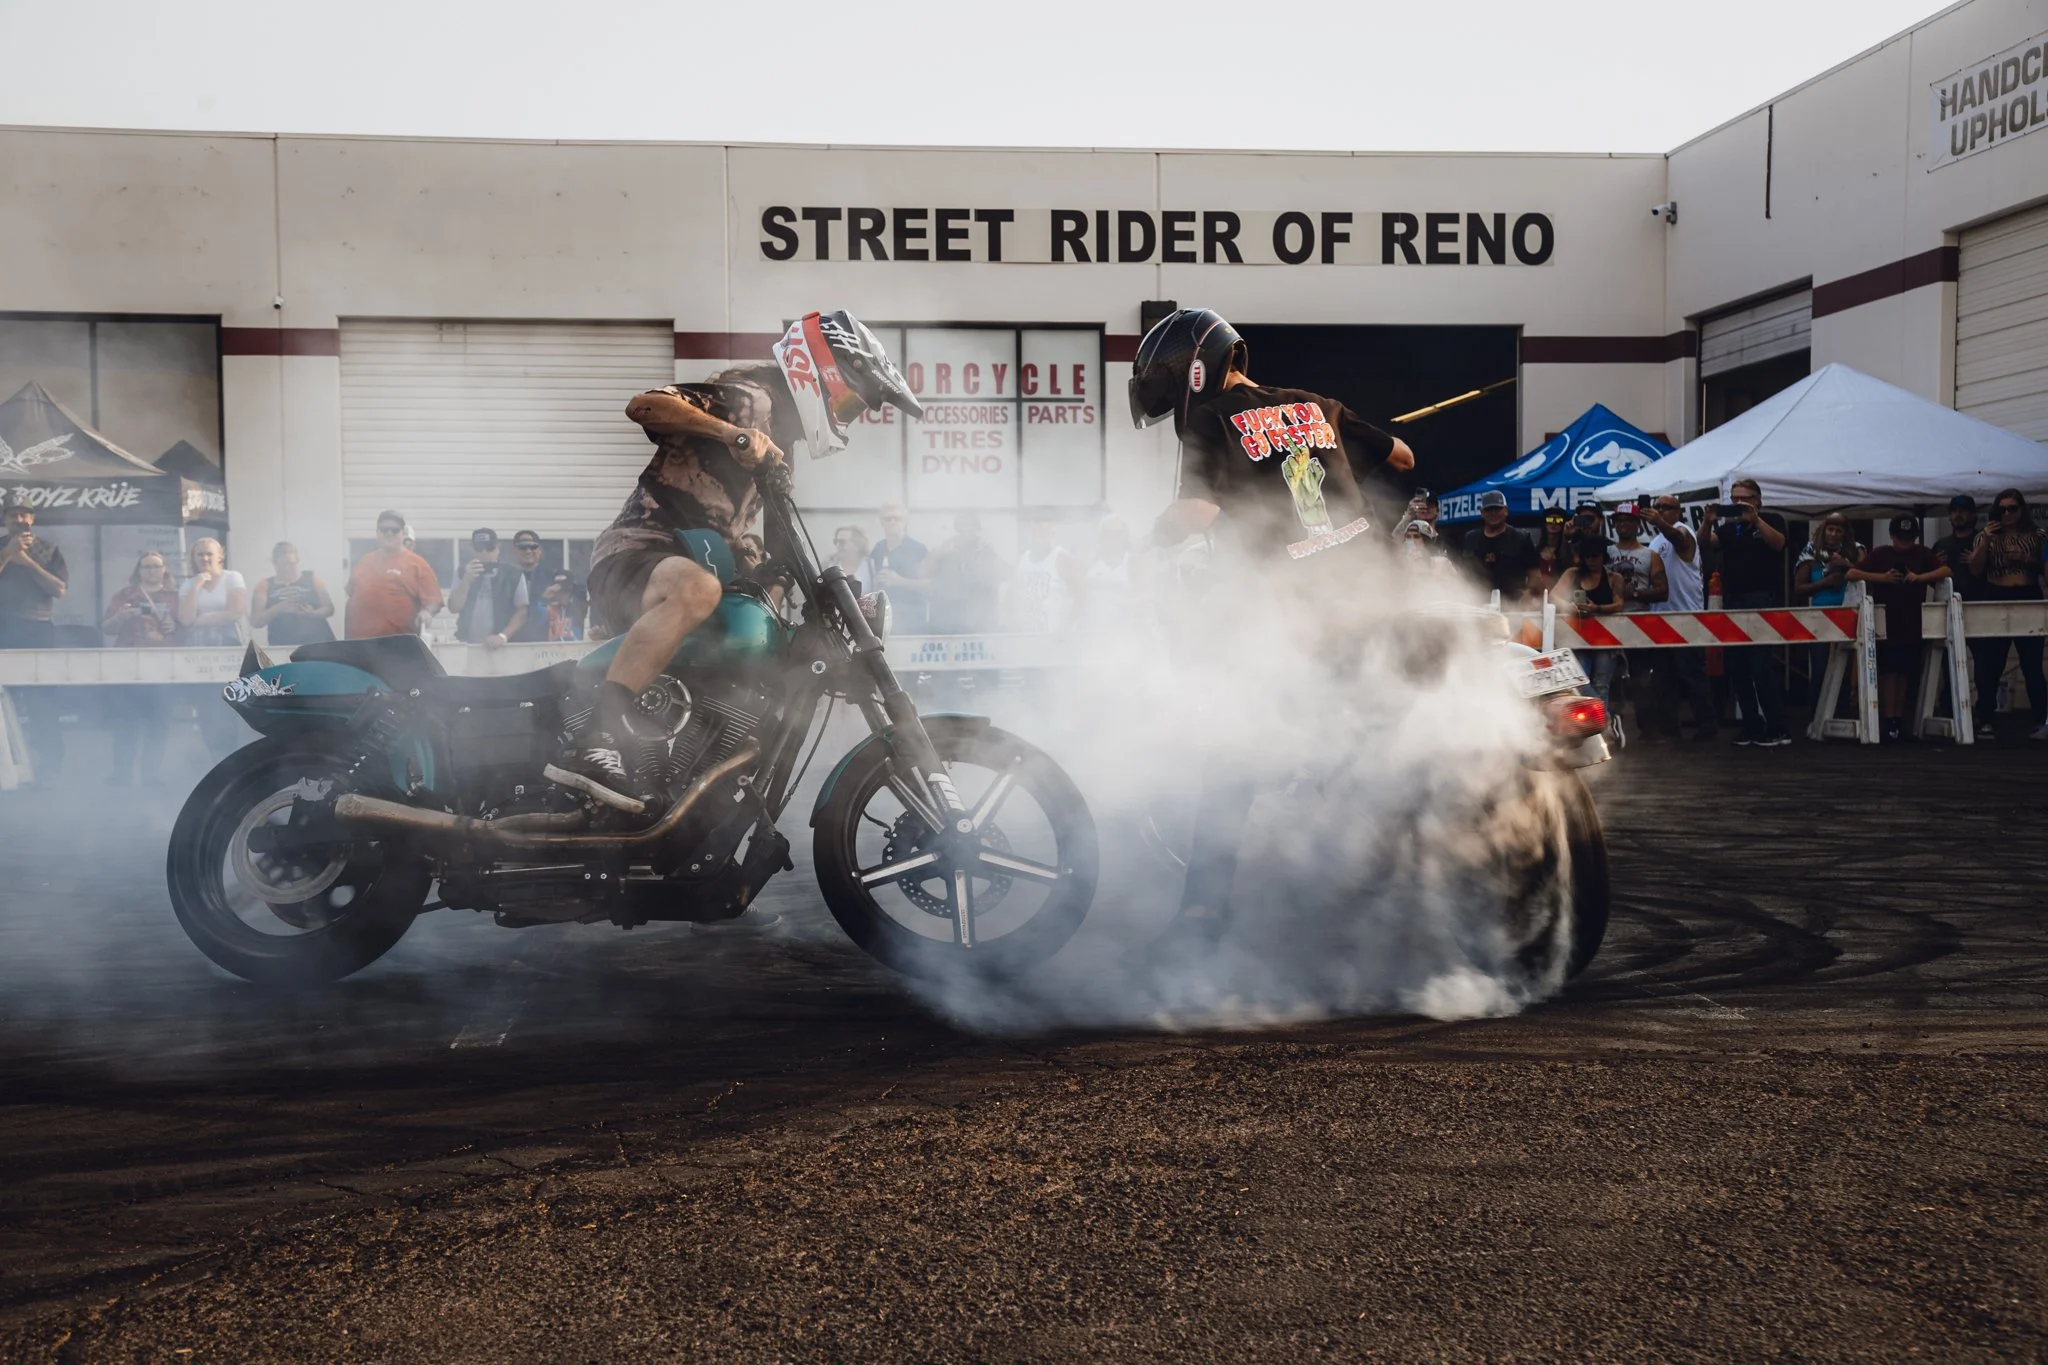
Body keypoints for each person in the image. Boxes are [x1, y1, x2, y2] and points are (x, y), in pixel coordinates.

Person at [557, 310, 920, 812]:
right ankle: (596, 738)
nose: (852, 412)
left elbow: (779, 550)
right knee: (699, 590)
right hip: (638, 553)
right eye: (855, 400)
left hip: (689, 566)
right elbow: (645, 405)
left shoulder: (782, 447)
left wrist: (794, 584)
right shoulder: (749, 398)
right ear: (828, 372)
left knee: (750, 642)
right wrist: (733, 434)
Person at [1134, 306, 1414, 950]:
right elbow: (1403, 456)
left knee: (1235, 753)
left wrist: (1145, 545)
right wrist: (1336, 443)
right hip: (1380, 591)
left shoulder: (1209, 418)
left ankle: (1203, 912)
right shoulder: (1317, 404)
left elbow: (1199, 511)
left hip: (1299, 615)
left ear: (1190, 371)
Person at [1705, 478, 1792, 748]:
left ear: (1757, 500)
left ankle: (1777, 727)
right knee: (1737, 666)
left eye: (1744, 498)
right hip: (1734, 600)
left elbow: (1779, 544)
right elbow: (1705, 544)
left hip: (1763, 600)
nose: (1739, 503)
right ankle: (1752, 725)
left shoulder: (1772, 519)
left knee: (1761, 666)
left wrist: (1756, 521)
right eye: (1734, 499)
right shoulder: (1731, 529)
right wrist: (1708, 520)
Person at [1847, 515, 1948, 743]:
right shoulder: (1882, 553)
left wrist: (1920, 577)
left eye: (1909, 538)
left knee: (1905, 673)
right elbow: (1852, 573)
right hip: (1886, 622)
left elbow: (1945, 572)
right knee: (1888, 672)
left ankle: (1899, 719)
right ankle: (1889, 718)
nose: (1905, 543)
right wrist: (1882, 578)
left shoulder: (1921, 553)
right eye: (1901, 538)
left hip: (1912, 621)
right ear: (1892, 536)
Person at [1965, 488, 2046, 740]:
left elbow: (2043, 569)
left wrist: (2026, 558)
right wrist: (1987, 542)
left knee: (2032, 662)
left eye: (2013, 508)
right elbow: (1975, 571)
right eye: (2003, 509)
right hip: (1996, 594)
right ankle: (1986, 717)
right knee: (1992, 661)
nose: (2008, 513)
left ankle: (2041, 717)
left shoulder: (2037, 535)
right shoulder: (1986, 534)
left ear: (2022, 509)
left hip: (2027, 593)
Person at [0, 496, 70, 779]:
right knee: (6, 701)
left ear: (32, 519)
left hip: (37, 631)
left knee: (41, 700)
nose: (19, 520)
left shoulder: (49, 549)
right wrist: (7, 555)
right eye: (13, 515)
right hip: (3, 628)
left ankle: (50, 765)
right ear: (5, 519)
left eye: (24, 515)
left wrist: (26, 561)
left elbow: (60, 589)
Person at [101, 549, 180, 784]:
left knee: (158, 724)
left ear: (164, 570)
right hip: (129, 665)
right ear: (138, 571)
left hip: (164, 666)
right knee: (126, 722)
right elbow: (107, 627)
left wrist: (173, 626)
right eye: (146, 567)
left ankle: (151, 776)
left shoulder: (175, 597)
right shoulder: (126, 595)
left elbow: (187, 627)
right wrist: (121, 617)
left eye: (156, 566)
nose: (152, 571)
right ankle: (121, 774)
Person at [1646, 496, 1716, 741]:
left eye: (1667, 507)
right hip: (1660, 617)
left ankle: (1707, 728)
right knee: (1663, 678)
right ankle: (1669, 729)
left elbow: (1679, 540)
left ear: (1678, 512)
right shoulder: (1654, 542)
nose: (1661, 511)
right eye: (1658, 507)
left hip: (1687, 615)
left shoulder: (1682, 530)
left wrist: (1662, 524)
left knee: (1693, 675)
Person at [346, 510, 444, 639]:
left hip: (399, 644)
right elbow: (351, 595)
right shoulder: (364, 561)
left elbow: (434, 601)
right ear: (377, 533)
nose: (389, 533)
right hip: (361, 643)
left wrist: (427, 612)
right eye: (384, 529)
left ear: (403, 534)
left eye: (395, 530)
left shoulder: (418, 564)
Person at [1558, 533, 1627, 709]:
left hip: (1605, 640)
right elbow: (1553, 596)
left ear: (1603, 556)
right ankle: (1603, 721)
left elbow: (1619, 604)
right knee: (1580, 682)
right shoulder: (1572, 574)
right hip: (1578, 639)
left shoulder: (1613, 578)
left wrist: (1597, 609)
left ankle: (1602, 727)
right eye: (1587, 556)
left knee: (1601, 684)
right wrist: (1568, 606)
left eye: (1595, 556)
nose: (1590, 560)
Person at [448, 527, 529, 649]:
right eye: (479, 548)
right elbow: (454, 607)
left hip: (502, 646)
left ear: (498, 547)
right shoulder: (462, 572)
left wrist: (503, 636)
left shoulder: (513, 574)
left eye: (489, 547)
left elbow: (522, 611)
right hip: (468, 644)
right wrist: (466, 580)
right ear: (473, 549)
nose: (484, 552)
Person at [925, 512, 1005, 633]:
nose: (967, 530)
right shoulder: (946, 546)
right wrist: (939, 553)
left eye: (972, 526)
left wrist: (989, 554)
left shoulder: (985, 549)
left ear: (977, 529)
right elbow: (923, 572)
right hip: (947, 618)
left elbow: (1003, 576)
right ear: (957, 528)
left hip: (977, 619)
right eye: (963, 526)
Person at [250, 541, 336, 648]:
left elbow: (329, 608)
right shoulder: (264, 585)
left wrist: (312, 613)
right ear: (275, 564)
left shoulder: (312, 577)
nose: (287, 568)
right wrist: (278, 608)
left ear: (297, 561)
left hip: (318, 643)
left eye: (291, 564)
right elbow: (255, 621)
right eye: (283, 565)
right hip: (283, 646)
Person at [1459, 491, 1539, 601]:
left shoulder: (1521, 538)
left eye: (1497, 509)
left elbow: (1534, 574)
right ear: (1482, 512)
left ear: (1506, 511)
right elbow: (1464, 573)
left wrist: (1528, 594)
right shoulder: (1471, 538)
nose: (1493, 513)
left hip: (1513, 605)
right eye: (1488, 509)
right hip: (1478, 604)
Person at [1005, 517, 1081, 632]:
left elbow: (1081, 596)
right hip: (1025, 637)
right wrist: (1012, 621)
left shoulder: (1063, 559)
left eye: (1042, 532)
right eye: (1035, 533)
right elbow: (1010, 595)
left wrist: (1067, 626)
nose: (1038, 538)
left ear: (1052, 533)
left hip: (1055, 637)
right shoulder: (1022, 560)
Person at [867, 503, 930, 632]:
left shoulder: (918, 549)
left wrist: (901, 582)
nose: (892, 522)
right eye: (887, 519)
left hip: (912, 617)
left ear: (905, 522)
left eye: (897, 518)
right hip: (883, 617)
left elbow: (931, 583)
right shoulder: (878, 549)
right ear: (881, 523)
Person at [1932, 495, 1982, 601]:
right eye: (1954, 511)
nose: (1958, 515)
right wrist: (1936, 566)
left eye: (1963, 511)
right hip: (1947, 603)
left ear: (1972, 514)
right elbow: (1931, 580)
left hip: (1977, 603)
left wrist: (1977, 560)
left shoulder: (1981, 541)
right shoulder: (1941, 545)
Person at [508, 530, 554, 642]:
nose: (528, 551)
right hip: (511, 642)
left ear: (540, 551)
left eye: (533, 547)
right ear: (514, 550)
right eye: (522, 547)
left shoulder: (553, 577)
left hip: (544, 642)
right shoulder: (505, 577)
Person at [538, 570, 587, 642]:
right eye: (558, 592)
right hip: (550, 651)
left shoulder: (580, 607)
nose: (561, 595)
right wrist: (544, 598)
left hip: (576, 650)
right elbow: (535, 620)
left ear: (571, 592)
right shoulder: (549, 609)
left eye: (565, 591)